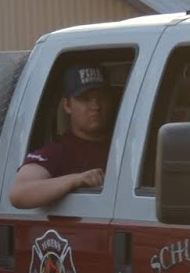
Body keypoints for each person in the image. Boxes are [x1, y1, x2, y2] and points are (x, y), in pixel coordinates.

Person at [9, 65, 115, 208]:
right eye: (85, 99)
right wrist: (76, 180)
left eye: (101, 98)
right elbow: (20, 194)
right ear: (67, 105)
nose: (95, 106)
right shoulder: (56, 153)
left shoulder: (129, 149)